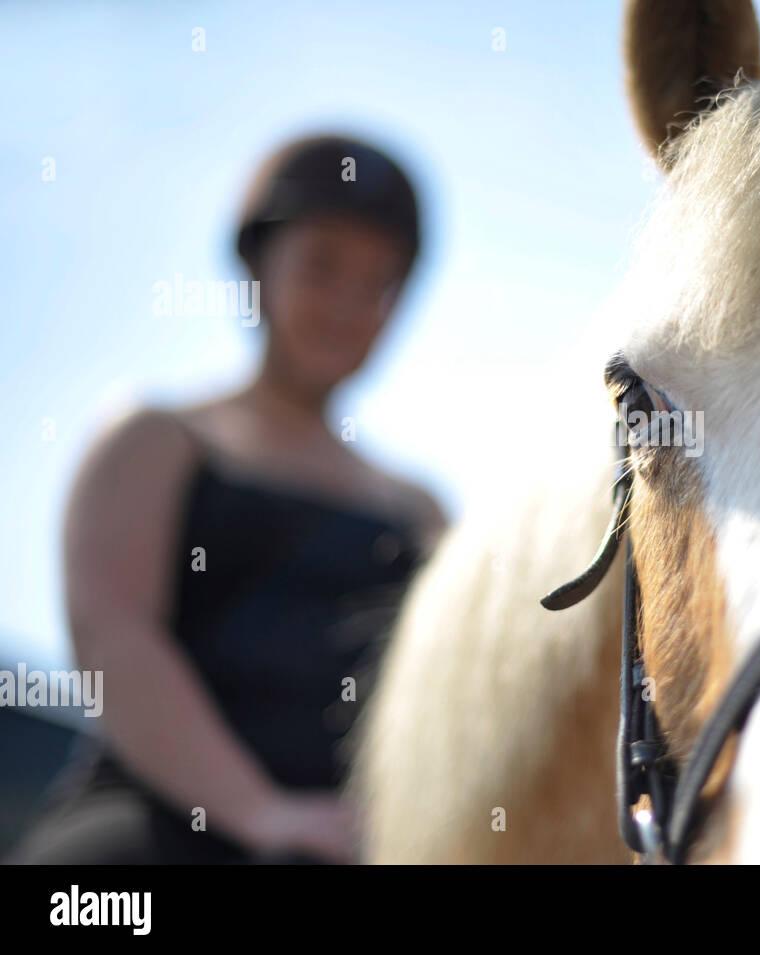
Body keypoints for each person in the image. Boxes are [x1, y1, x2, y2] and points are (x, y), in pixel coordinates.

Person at [7, 135, 445, 864]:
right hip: (158, 825)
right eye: (322, 265)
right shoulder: (155, 438)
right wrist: (260, 811)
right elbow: (114, 636)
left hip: (355, 839)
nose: (347, 303)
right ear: (257, 269)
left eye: (378, 281)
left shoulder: (420, 508)